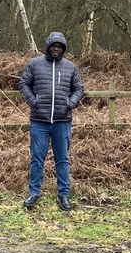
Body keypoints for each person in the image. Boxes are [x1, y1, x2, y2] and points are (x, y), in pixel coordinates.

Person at [19, 32, 84, 211]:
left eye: (60, 46)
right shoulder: (35, 64)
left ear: (63, 48)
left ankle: (64, 194)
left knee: (62, 159)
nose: (56, 48)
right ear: (48, 46)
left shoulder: (71, 67)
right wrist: (34, 101)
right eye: (53, 45)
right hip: (39, 120)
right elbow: (24, 84)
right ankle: (34, 192)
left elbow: (79, 88)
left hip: (62, 121)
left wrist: (70, 104)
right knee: (37, 158)